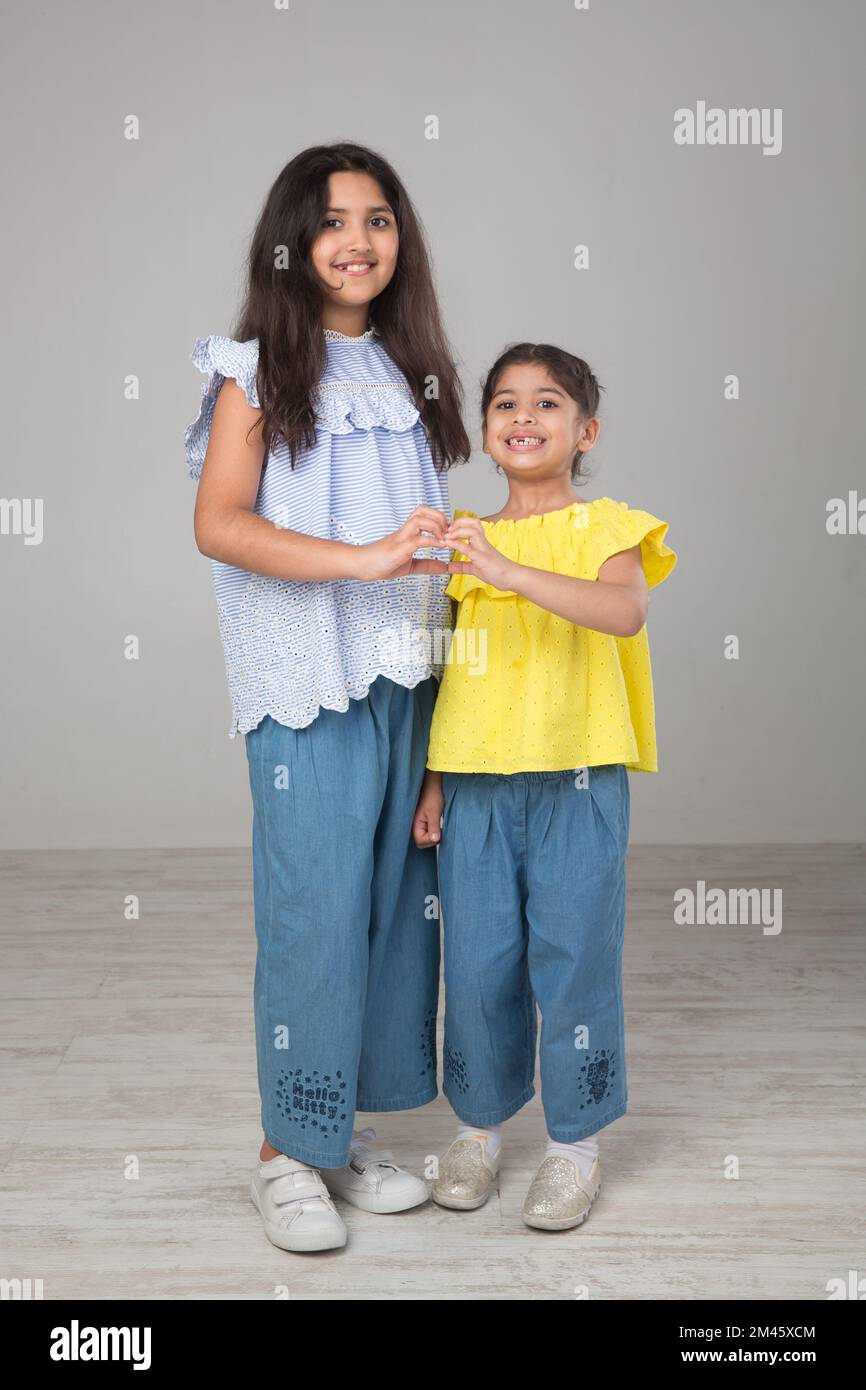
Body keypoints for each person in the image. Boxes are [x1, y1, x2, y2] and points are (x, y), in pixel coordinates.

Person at [184, 142, 469, 1252]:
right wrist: (358, 562)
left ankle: (334, 1131)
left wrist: (450, 719)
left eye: (380, 219)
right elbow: (220, 524)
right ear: (292, 242)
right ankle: (281, 1150)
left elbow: (428, 559)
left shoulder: (409, 373)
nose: (359, 240)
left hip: (404, 680)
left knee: (395, 907)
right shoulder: (254, 371)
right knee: (312, 909)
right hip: (304, 682)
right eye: (335, 220)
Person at [414, 342, 677, 1230]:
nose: (524, 418)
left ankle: (575, 1147)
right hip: (480, 790)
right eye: (505, 405)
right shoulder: (461, 540)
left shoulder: (607, 527)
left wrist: (508, 573)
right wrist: (435, 782)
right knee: (478, 965)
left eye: (548, 403)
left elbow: (622, 611)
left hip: (576, 782)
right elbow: (451, 671)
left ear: (584, 430)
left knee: (573, 961)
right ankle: (479, 1131)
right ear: (486, 433)